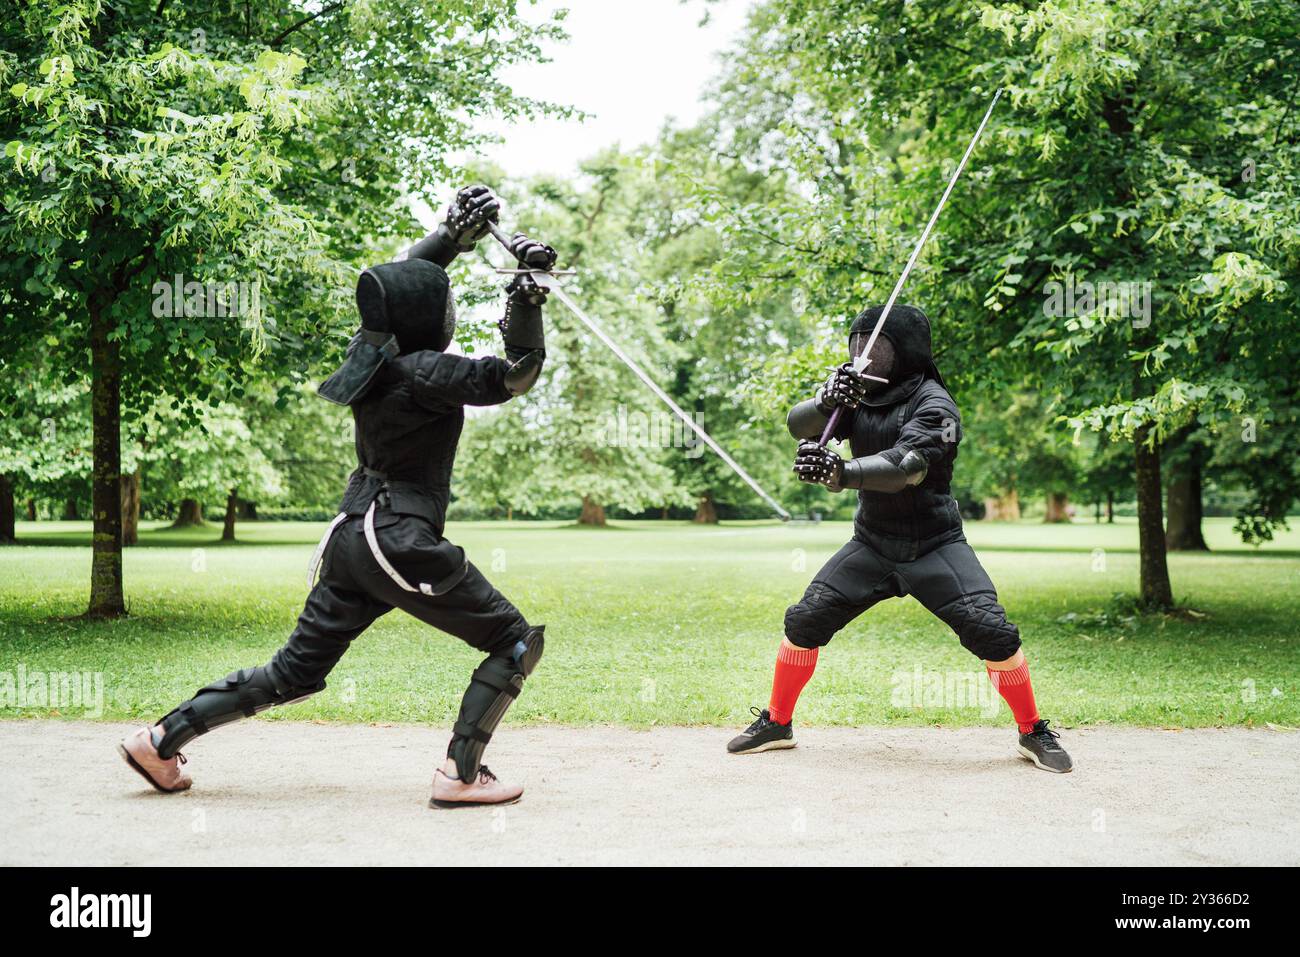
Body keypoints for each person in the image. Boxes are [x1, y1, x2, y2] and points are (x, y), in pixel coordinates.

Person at [119, 186, 561, 807]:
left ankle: (158, 741)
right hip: (400, 540)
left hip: (355, 537)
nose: (451, 307)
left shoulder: (372, 357)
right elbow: (519, 372)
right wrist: (527, 295)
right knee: (513, 639)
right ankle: (460, 776)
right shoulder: (428, 371)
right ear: (430, 319)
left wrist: (452, 233)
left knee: (294, 672)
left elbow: (410, 281)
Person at [726, 304, 1072, 773]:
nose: (863, 357)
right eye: (857, 345)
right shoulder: (860, 396)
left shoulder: (936, 405)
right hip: (872, 543)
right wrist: (827, 402)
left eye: (876, 347)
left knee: (993, 631)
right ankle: (778, 724)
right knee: (805, 620)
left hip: (935, 544)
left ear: (905, 350)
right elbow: (798, 425)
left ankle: (1032, 731)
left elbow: (907, 468)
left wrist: (841, 471)